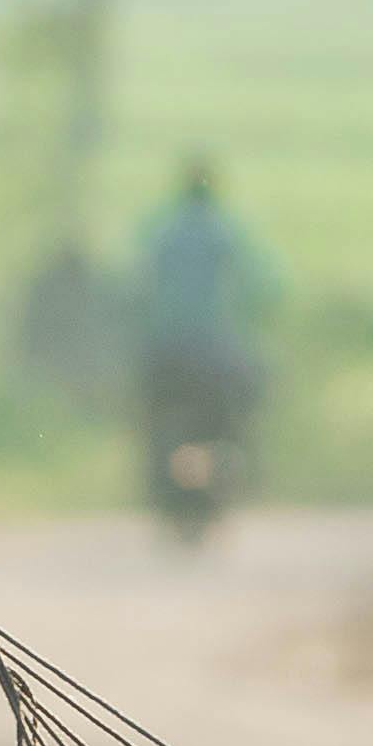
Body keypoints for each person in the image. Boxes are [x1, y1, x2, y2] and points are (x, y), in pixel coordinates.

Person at [128, 153, 279, 531]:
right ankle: (249, 465)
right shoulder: (225, 229)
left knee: (146, 409)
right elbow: (261, 284)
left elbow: (133, 286)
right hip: (215, 345)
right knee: (247, 402)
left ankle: (149, 476)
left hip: (166, 346)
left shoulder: (160, 229)